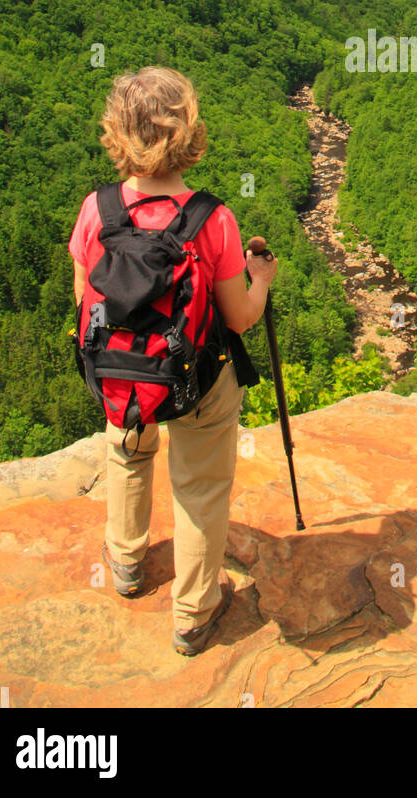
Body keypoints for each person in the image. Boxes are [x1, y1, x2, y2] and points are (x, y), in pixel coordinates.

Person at [68, 66, 277, 655]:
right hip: (196, 379)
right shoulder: (213, 219)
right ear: (189, 133)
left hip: (123, 376)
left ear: (118, 132)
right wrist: (261, 277)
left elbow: (85, 298)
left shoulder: (98, 210)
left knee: (127, 453)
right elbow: (237, 317)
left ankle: (128, 562)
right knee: (200, 487)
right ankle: (193, 613)